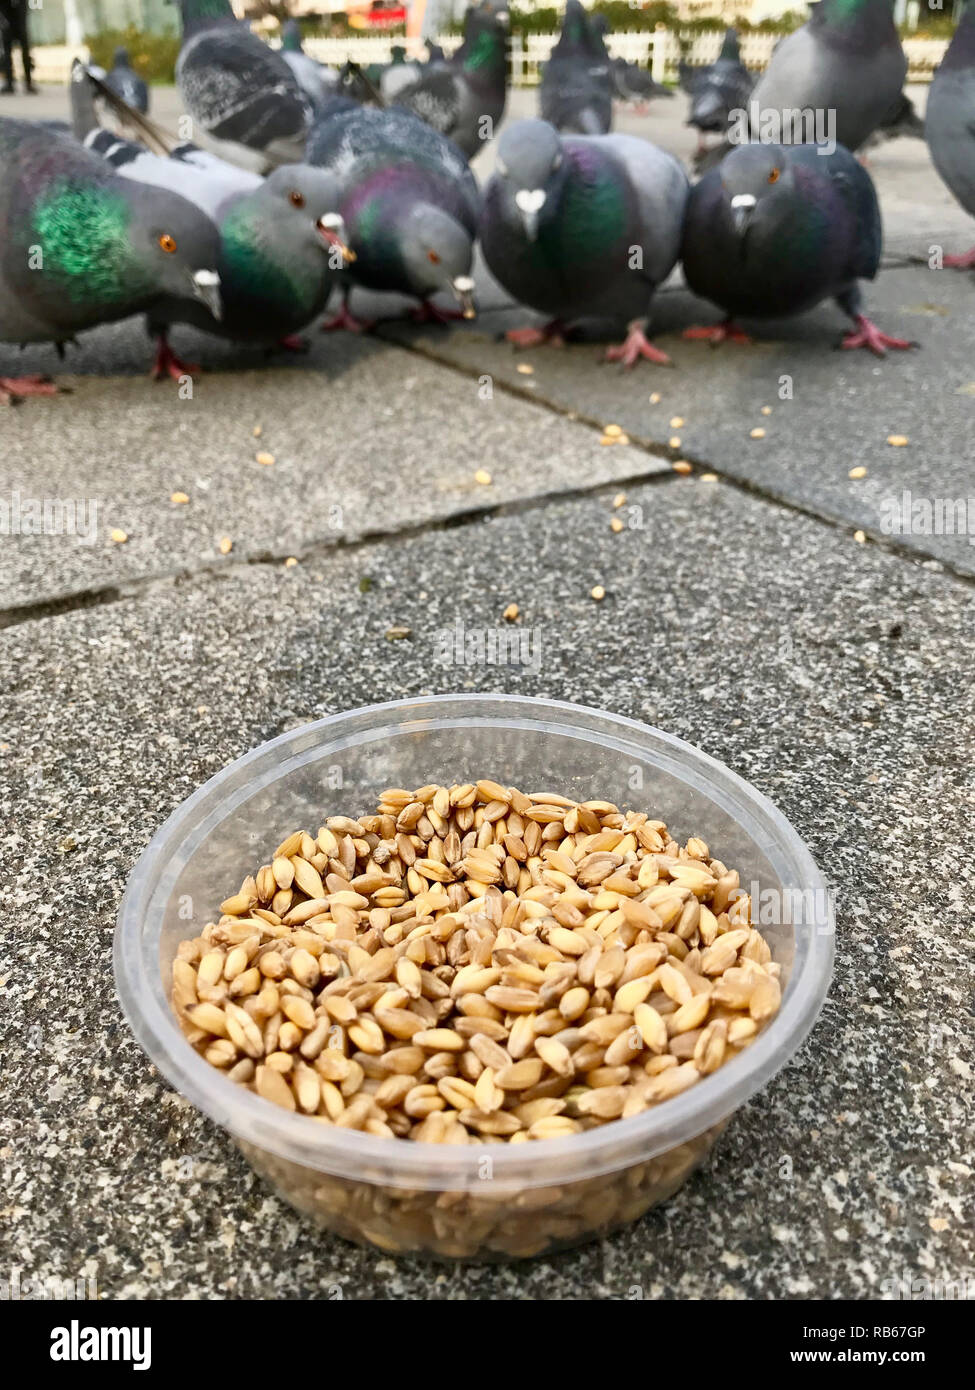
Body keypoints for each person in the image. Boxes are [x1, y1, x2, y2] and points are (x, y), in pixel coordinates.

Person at [0, 0, 36, 95]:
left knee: (25, 49)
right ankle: (9, 83)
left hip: (19, 17)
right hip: (7, 17)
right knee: (7, 51)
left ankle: (28, 82)